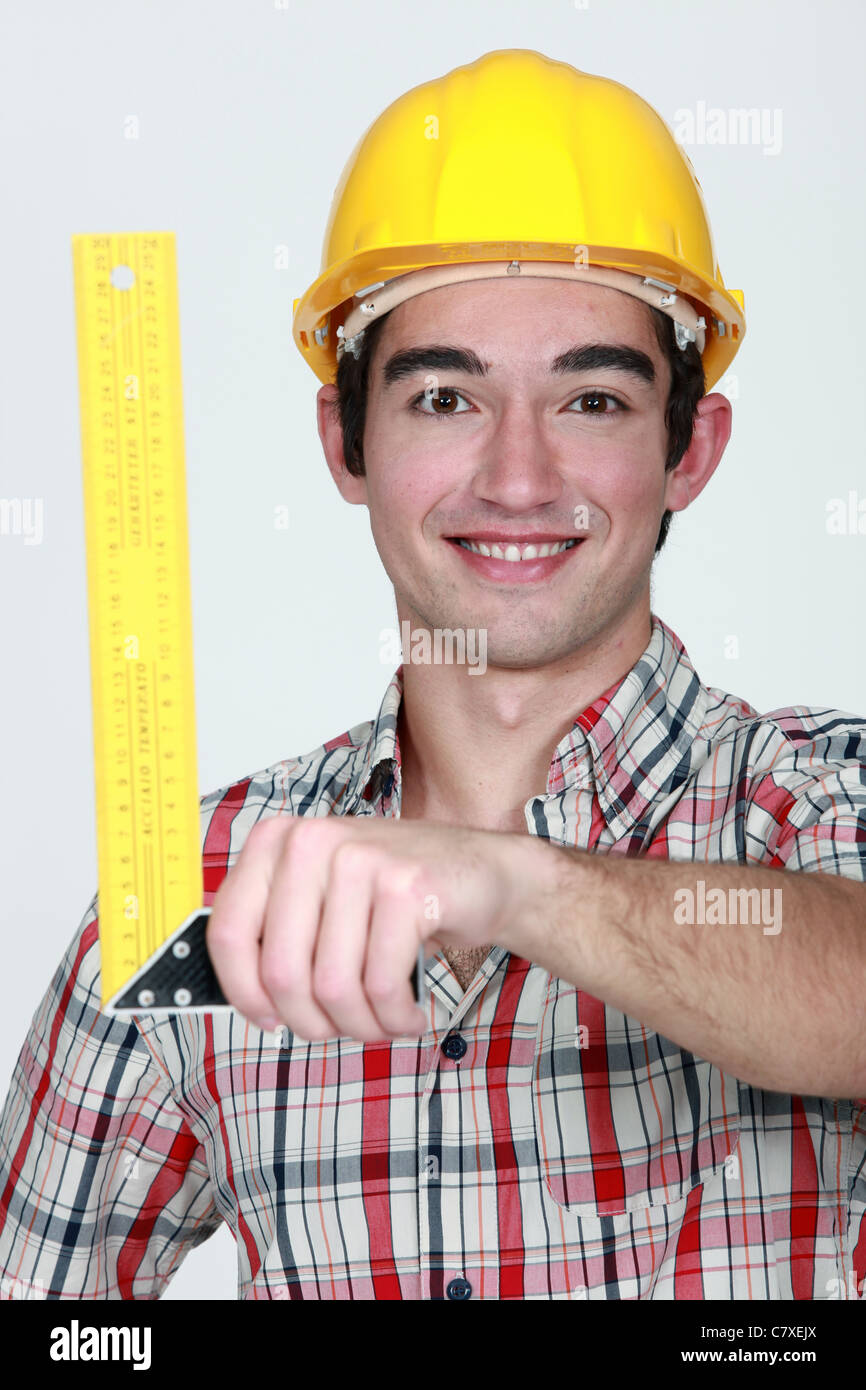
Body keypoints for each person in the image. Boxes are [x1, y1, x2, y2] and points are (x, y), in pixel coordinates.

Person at [1, 48, 864, 1302]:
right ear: (345, 441)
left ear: (691, 451)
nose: (517, 479)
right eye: (446, 396)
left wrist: (513, 886)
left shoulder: (812, 803)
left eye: (593, 402)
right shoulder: (195, 897)